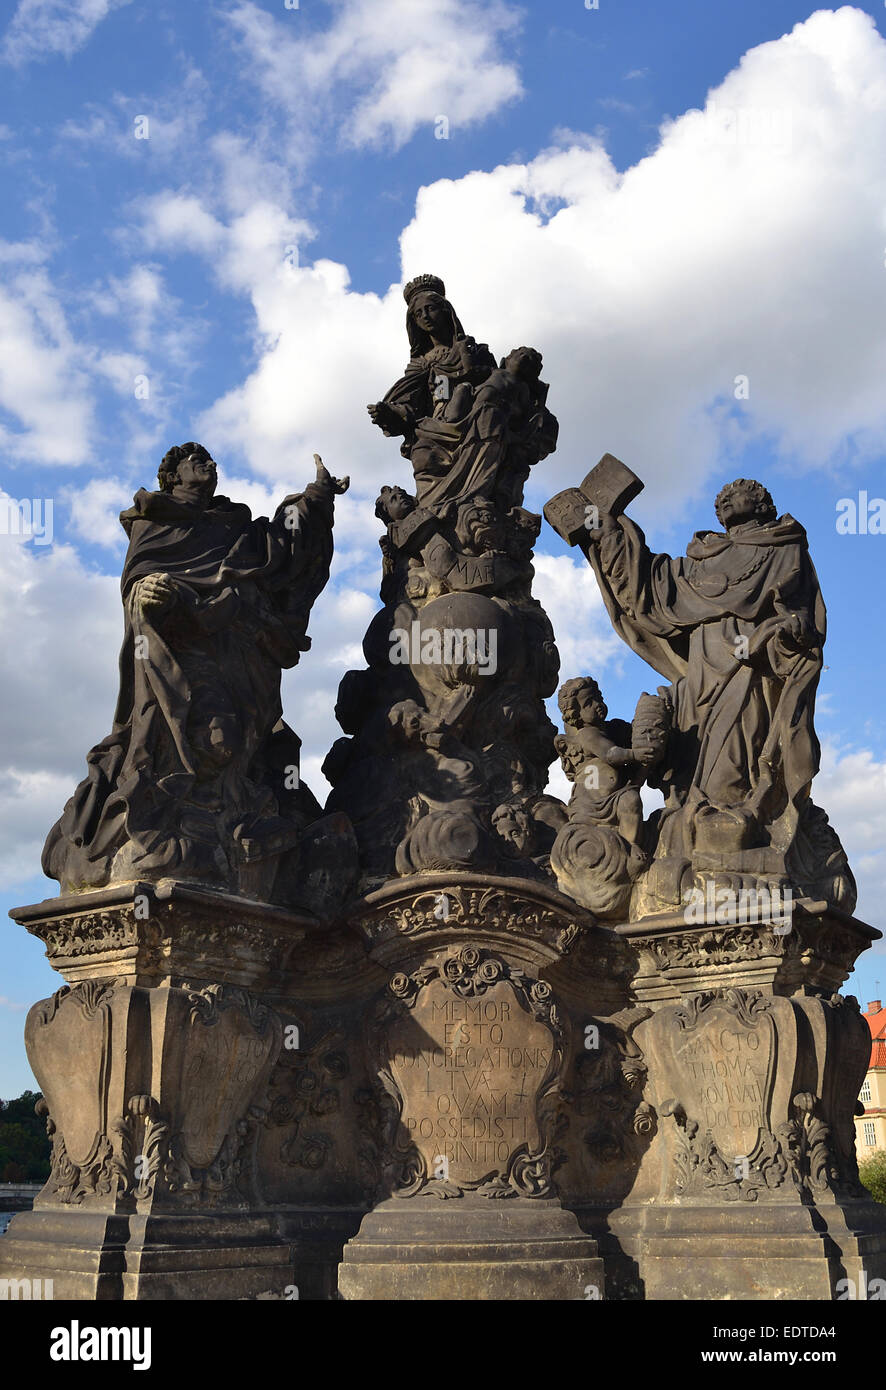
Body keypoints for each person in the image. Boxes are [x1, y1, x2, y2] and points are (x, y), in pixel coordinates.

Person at [43, 444, 349, 899]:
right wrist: (145, 593)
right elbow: (138, 578)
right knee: (191, 724)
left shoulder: (233, 524)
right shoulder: (157, 519)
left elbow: (280, 551)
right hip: (183, 644)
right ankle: (177, 808)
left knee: (244, 736)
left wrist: (315, 498)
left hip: (241, 649)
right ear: (172, 474)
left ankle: (229, 811)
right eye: (196, 460)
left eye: (212, 461)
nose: (209, 466)